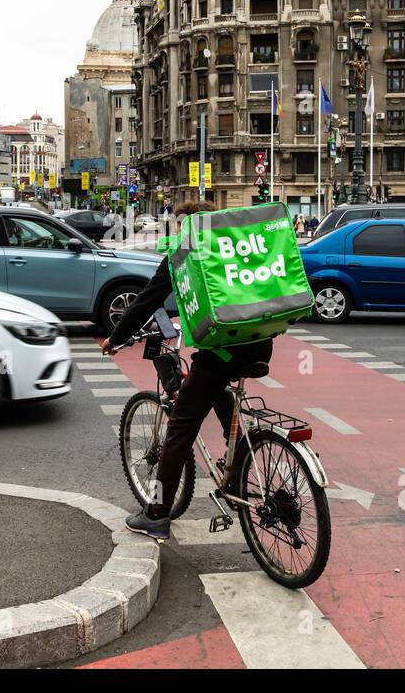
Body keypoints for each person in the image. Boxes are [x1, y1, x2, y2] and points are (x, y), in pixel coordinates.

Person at [101, 202, 275, 541]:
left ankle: (157, 514)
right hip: (260, 342)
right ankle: (237, 465)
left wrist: (116, 337)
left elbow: (149, 299)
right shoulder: (235, 245)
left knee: (181, 424)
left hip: (221, 350)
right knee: (217, 389)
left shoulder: (185, 252)